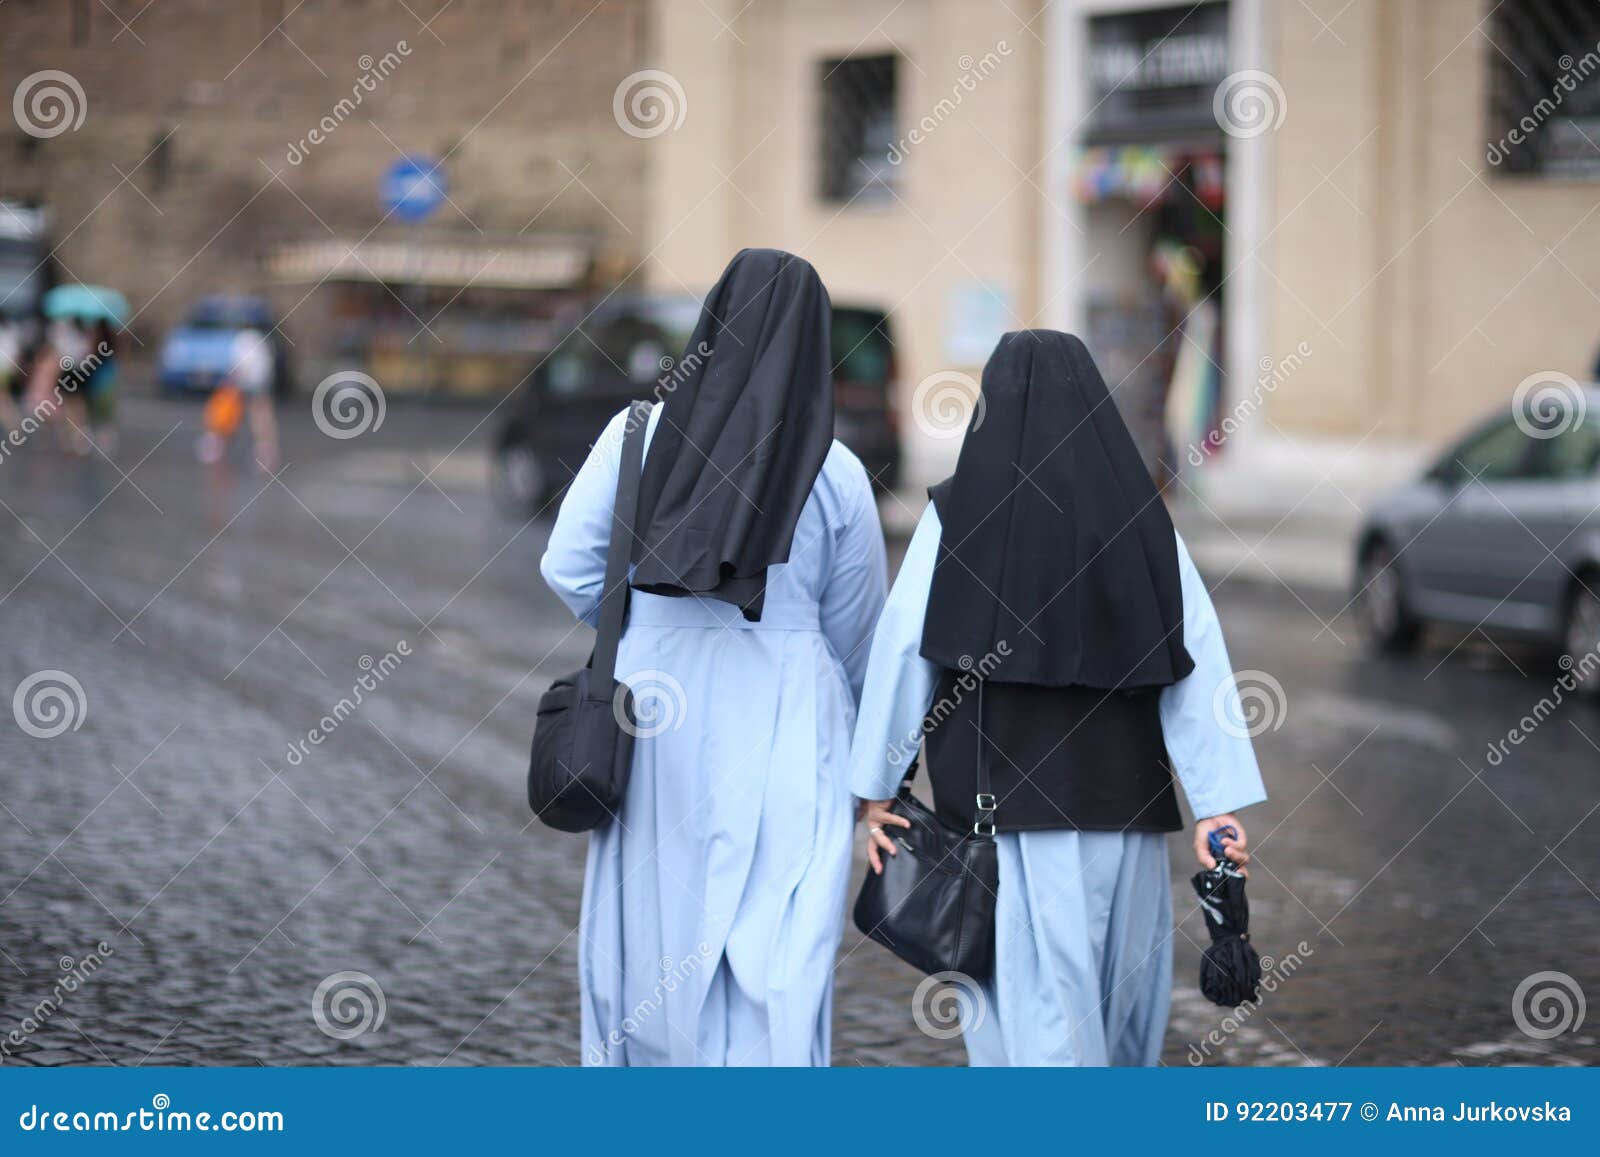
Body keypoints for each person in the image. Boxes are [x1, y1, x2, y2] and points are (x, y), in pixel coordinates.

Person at [849, 330, 1266, 1067]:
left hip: (1003, 817)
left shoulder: (955, 519)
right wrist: (1217, 802)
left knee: (1034, 1024)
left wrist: (878, 789)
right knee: (1116, 1013)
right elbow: (1197, 659)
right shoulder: (1144, 521)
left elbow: (902, 652)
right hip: (1127, 820)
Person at [540, 248, 887, 1066]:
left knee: (656, 929)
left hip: (656, 711)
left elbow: (569, 565)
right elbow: (860, 623)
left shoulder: (634, 437)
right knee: (779, 946)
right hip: (791, 714)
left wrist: (647, 626)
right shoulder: (835, 469)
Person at [198, 328, 278, 470]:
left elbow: (243, 366)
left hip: (252, 382)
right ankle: (264, 450)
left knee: (253, 413)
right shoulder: (252, 339)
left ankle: (263, 450)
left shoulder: (244, 340)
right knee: (248, 413)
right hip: (254, 381)